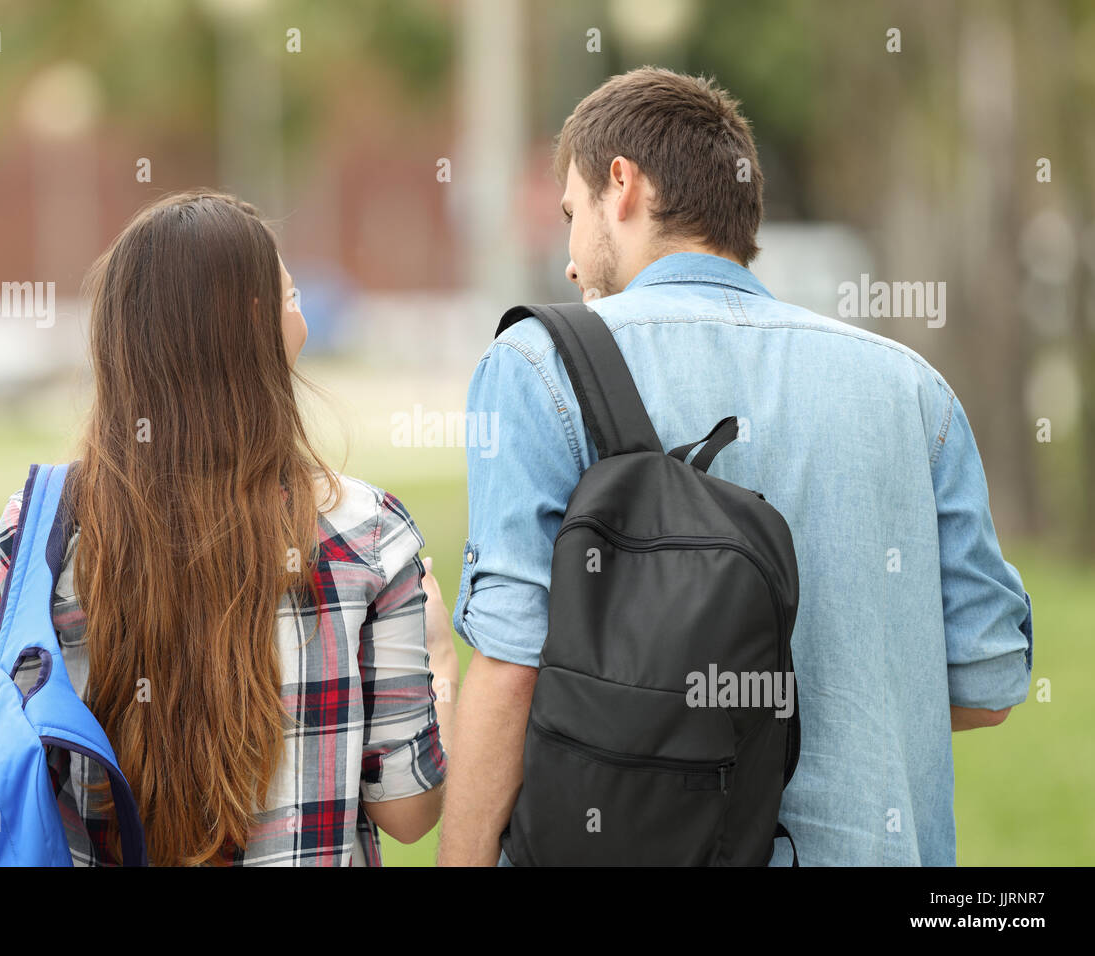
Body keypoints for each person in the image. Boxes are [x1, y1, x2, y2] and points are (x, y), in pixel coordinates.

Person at [439, 67, 1033, 867]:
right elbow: (988, 682)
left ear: (624, 185)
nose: (573, 263)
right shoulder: (912, 389)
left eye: (571, 214)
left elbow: (512, 672)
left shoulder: (537, 364)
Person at [0, 191, 456, 866]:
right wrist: (443, 670)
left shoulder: (43, 530)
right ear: (253, 329)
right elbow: (408, 813)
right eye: (291, 299)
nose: (304, 317)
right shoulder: (367, 536)